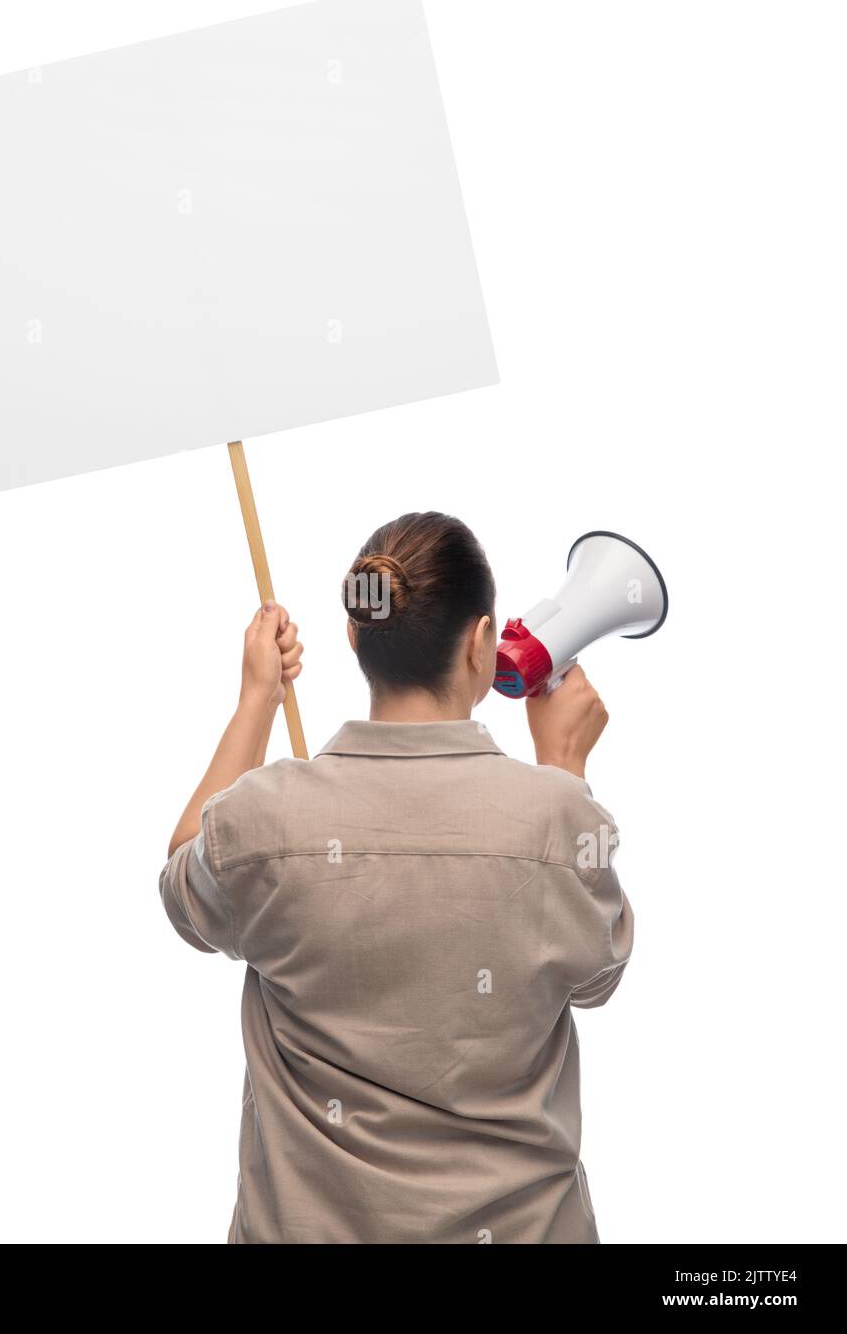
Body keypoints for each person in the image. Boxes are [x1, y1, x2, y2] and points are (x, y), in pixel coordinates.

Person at [160, 511, 633, 1244]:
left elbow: (183, 873)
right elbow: (595, 979)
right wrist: (565, 771)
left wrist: (257, 697)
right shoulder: (554, 820)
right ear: (481, 642)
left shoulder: (263, 818)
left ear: (355, 635)